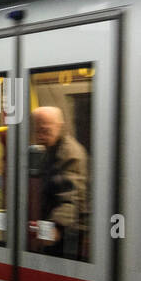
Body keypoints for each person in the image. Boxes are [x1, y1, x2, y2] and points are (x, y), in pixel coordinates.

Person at [30, 106, 89, 259]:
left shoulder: (69, 154)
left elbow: (70, 197)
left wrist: (56, 227)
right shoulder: (50, 149)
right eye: (37, 131)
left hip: (68, 234)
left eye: (45, 130)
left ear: (60, 127)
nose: (40, 136)